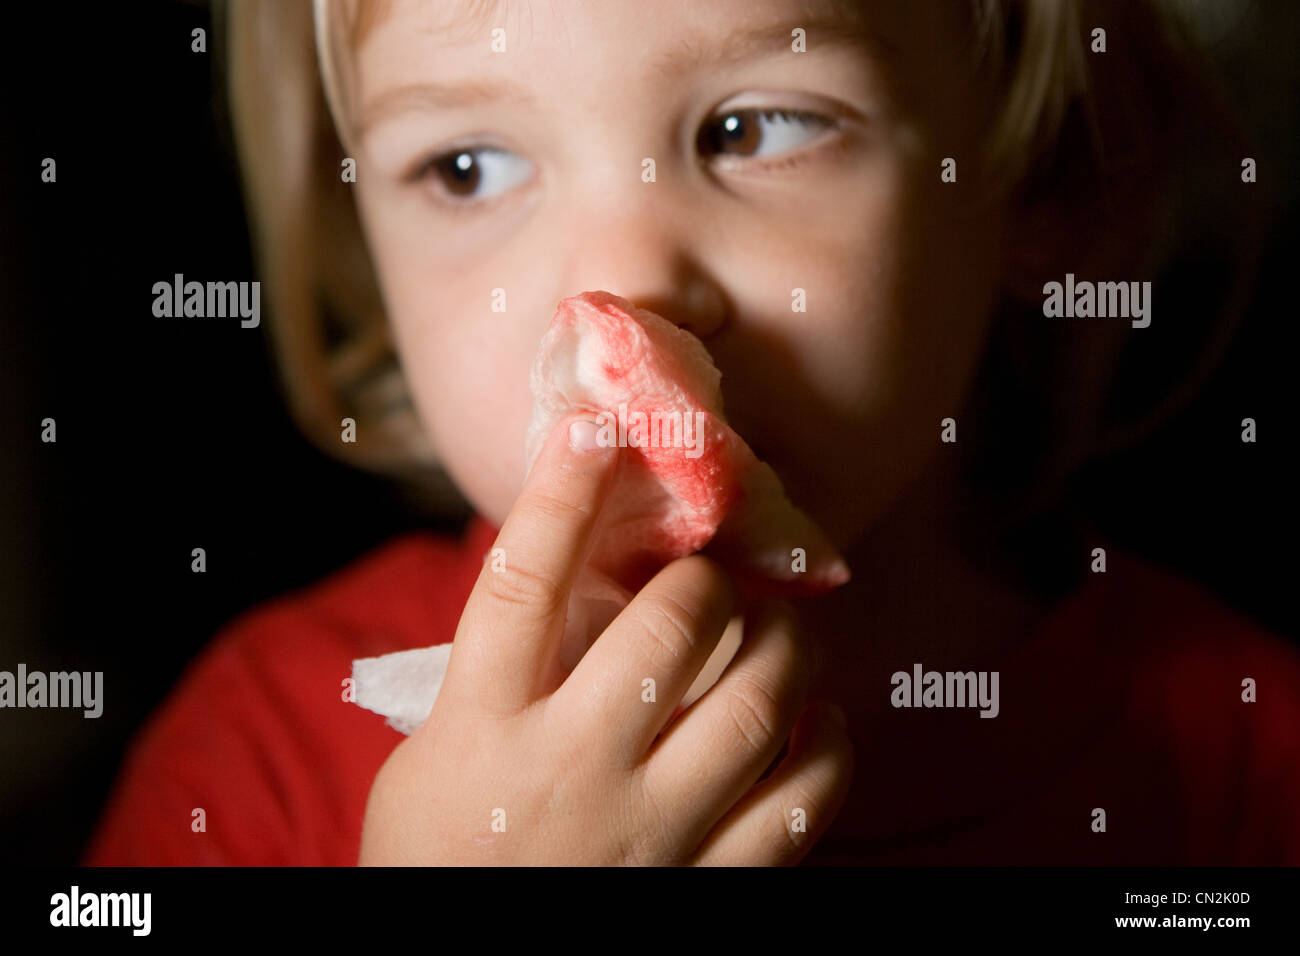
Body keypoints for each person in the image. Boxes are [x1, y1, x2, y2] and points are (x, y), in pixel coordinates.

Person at [83, 0, 1300, 865]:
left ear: (1043, 177)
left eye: (757, 126)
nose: (620, 286)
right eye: (465, 164)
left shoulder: (1247, 759)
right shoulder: (255, 760)